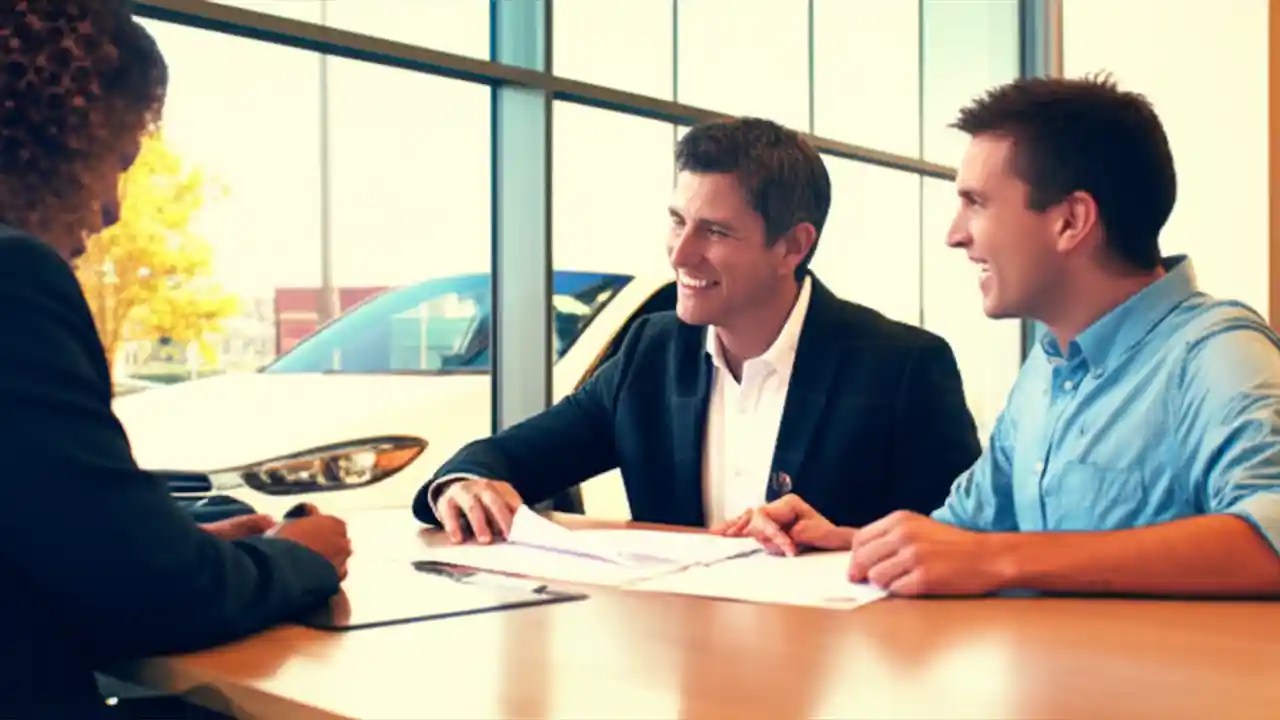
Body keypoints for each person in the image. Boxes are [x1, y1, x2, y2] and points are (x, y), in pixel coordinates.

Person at [719, 75, 1280, 598]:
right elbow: (965, 535)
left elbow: (1272, 538)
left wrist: (999, 558)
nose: (955, 235)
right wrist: (851, 541)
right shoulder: (1047, 369)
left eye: (976, 203)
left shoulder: (1219, 353)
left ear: (1070, 221)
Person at [0, 3, 352, 716]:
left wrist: (164, 544)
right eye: (117, 162)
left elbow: (42, 531)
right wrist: (302, 557)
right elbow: (151, 600)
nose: (111, 209)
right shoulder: (14, 280)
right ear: (54, 137)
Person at [412, 117, 981, 542]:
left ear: (792, 245)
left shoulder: (903, 366)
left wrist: (843, 545)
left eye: (714, 232)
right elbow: (512, 456)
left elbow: (956, 548)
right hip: (683, 670)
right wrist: (464, 481)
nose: (682, 254)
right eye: (678, 221)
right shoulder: (652, 351)